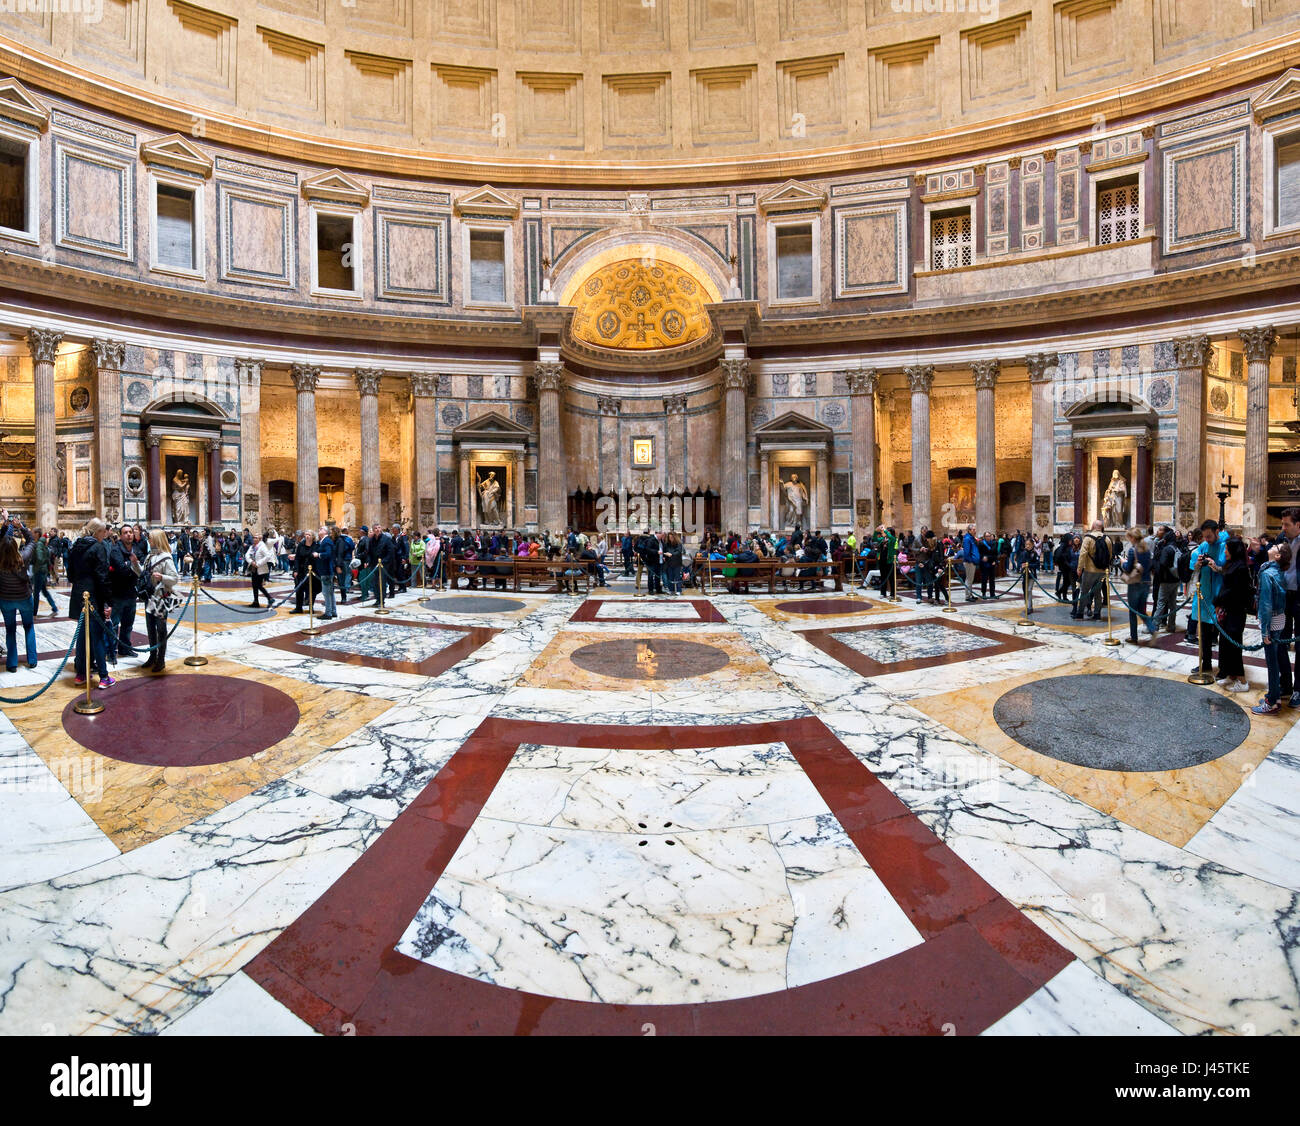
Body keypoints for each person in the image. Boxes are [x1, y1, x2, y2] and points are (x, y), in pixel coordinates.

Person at [68, 517, 113, 689]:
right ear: (97, 532)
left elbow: (70, 574)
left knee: (81, 636)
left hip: (79, 594)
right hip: (93, 595)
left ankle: (81, 674)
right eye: (103, 531)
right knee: (97, 637)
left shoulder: (76, 546)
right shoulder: (98, 547)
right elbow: (102, 576)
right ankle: (104, 677)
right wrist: (107, 601)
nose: (105, 534)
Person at [1187, 518, 1229, 680]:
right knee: (1203, 634)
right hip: (1204, 595)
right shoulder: (1203, 546)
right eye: (1204, 536)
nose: (1207, 539)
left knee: (1221, 634)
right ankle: (1205, 663)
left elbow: (1227, 569)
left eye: (1209, 536)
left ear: (1217, 532)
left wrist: (1215, 566)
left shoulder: (1225, 546)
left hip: (1219, 596)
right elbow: (1193, 566)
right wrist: (1198, 563)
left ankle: (1224, 667)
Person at [1254, 540, 1292, 714]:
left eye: (1275, 547)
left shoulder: (1268, 573)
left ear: (1277, 556)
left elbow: (1266, 604)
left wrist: (1264, 630)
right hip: (1279, 618)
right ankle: (1274, 696)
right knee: (1275, 661)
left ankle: (1271, 702)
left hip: (1272, 621)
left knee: (1272, 662)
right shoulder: (1277, 570)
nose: (1271, 546)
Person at [1210, 536, 1252, 694]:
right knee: (1226, 645)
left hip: (1235, 612)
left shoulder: (1240, 567)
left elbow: (1233, 591)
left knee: (1234, 646)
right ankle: (1230, 674)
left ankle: (1242, 681)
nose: (1225, 551)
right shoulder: (1233, 565)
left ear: (1234, 550)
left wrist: (1217, 601)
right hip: (1228, 611)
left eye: (1227, 549)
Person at [140, 529, 180, 673]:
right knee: (150, 628)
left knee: (160, 629)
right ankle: (152, 656)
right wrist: (134, 564)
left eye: (150, 538)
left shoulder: (166, 556)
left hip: (160, 597)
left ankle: (161, 660)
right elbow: (143, 573)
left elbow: (175, 578)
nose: (148, 541)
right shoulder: (150, 556)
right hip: (149, 595)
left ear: (157, 539)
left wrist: (162, 577)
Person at [0, 535, 36, 672]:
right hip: (23, 598)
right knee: (29, 626)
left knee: (10, 630)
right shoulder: (23, 557)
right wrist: (21, 527)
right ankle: (32, 660)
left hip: (5, 599)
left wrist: (7, 525)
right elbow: (32, 541)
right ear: (16, 547)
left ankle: (12, 663)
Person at [106, 524, 142, 661]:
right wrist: (132, 565)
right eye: (125, 532)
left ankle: (125, 648)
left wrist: (130, 566)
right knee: (114, 625)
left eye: (130, 532)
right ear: (121, 535)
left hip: (132, 593)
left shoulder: (136, 549)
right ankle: (111, 651)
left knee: (128, 624)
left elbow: (141, 569)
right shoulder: (115, 550)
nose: (129, 534)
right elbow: (121, 569)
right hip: (118, 593)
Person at [1118, 526, 1151, 644]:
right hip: (1146, 582)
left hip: (1135, 583)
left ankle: (1134, 637)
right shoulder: (1147, 550)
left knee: (1132, 610)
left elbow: (1127, 568)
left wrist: (1123, 562)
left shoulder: (1133, 550)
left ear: (1132, 537)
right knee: (1141, 609)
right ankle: (1152, 629)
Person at [1073, 521, 1109, 620]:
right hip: (1101, 571)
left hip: (1089, 570)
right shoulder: (1107, 539)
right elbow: (1109, 556)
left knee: (1084, 591)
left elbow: (1083, 554)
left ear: (1093, 526)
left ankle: (1080, 613)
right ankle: (1097, 614)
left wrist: (1079, 568)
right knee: (1097, 593)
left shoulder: (1088, 538)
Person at [290, 530, 321, 615]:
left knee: (312, 590)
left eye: (309, 535)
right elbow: (297, 558)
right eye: (306, 534)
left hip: (312, 571)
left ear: (312, 537)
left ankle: (311, 607)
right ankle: (298, 608)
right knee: (299, 589)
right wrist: (295, 570)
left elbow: (317, 558)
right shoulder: (301, 545)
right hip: (301, 571)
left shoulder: (316, 545)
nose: (307, 536)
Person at [246, 532, 276, 608]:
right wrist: (251, 562)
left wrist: (258, 563)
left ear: (259, 539)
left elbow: (268, 556)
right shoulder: (252, 547)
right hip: (253, 568)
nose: (254, 539)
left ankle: (270, 598)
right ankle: (256, 601)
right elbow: (247, 555)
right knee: (254, 585)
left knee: (258, 585)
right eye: (253, 537)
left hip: (260, 569)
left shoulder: (262, 546)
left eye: (256, 537)